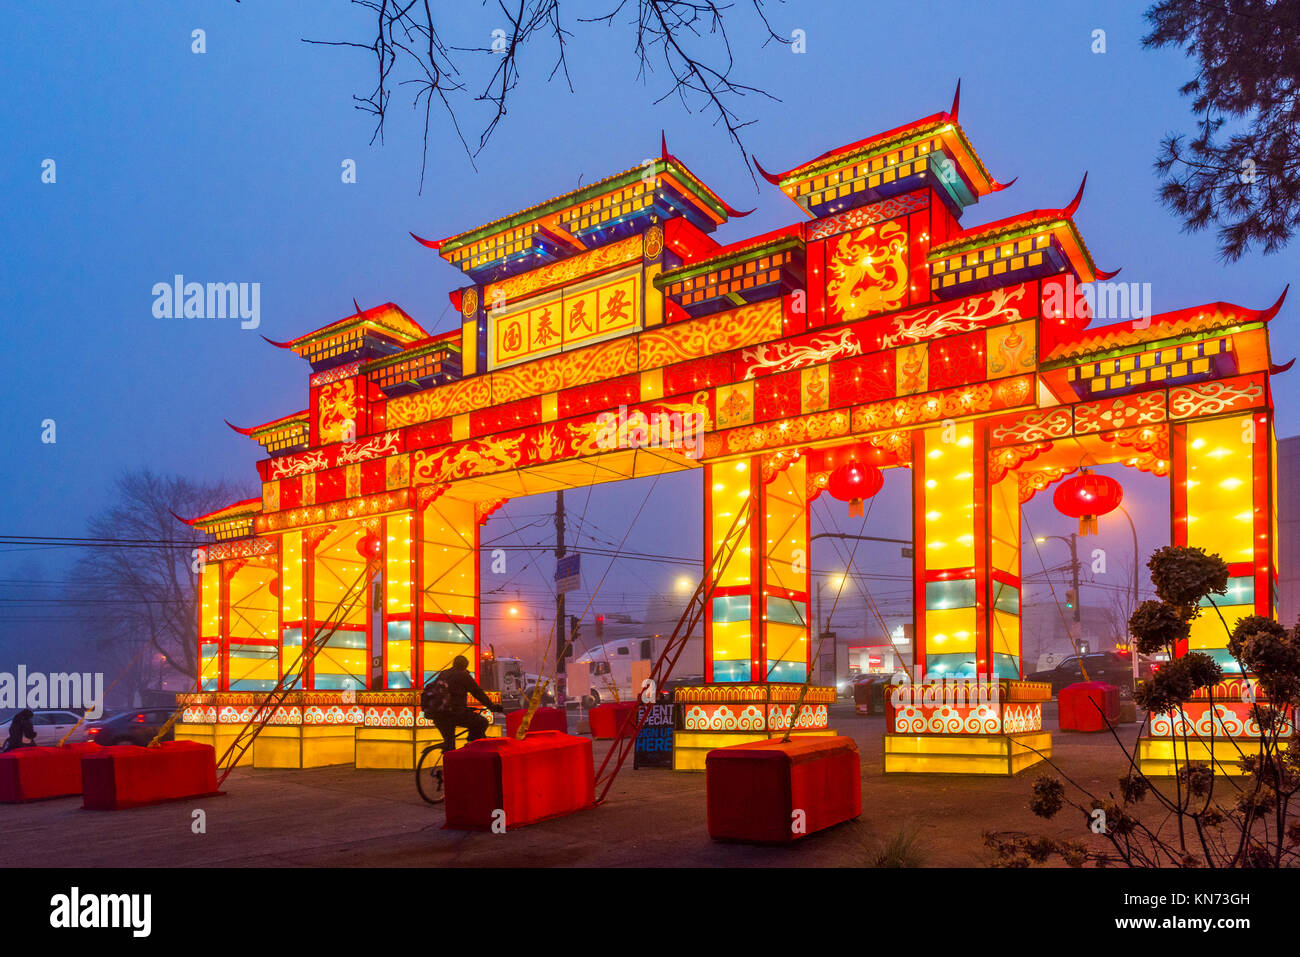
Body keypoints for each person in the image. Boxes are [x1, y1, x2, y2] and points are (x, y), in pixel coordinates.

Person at [425, 656, 503, 753]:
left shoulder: (444, 674)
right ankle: (471, 749)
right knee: (482, 722)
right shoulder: (463, 675)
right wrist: (491, 706)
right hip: (454, 714)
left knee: (450, 745)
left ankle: (450, 763)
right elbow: (477, 692)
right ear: (465, 666)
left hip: (438, 715)